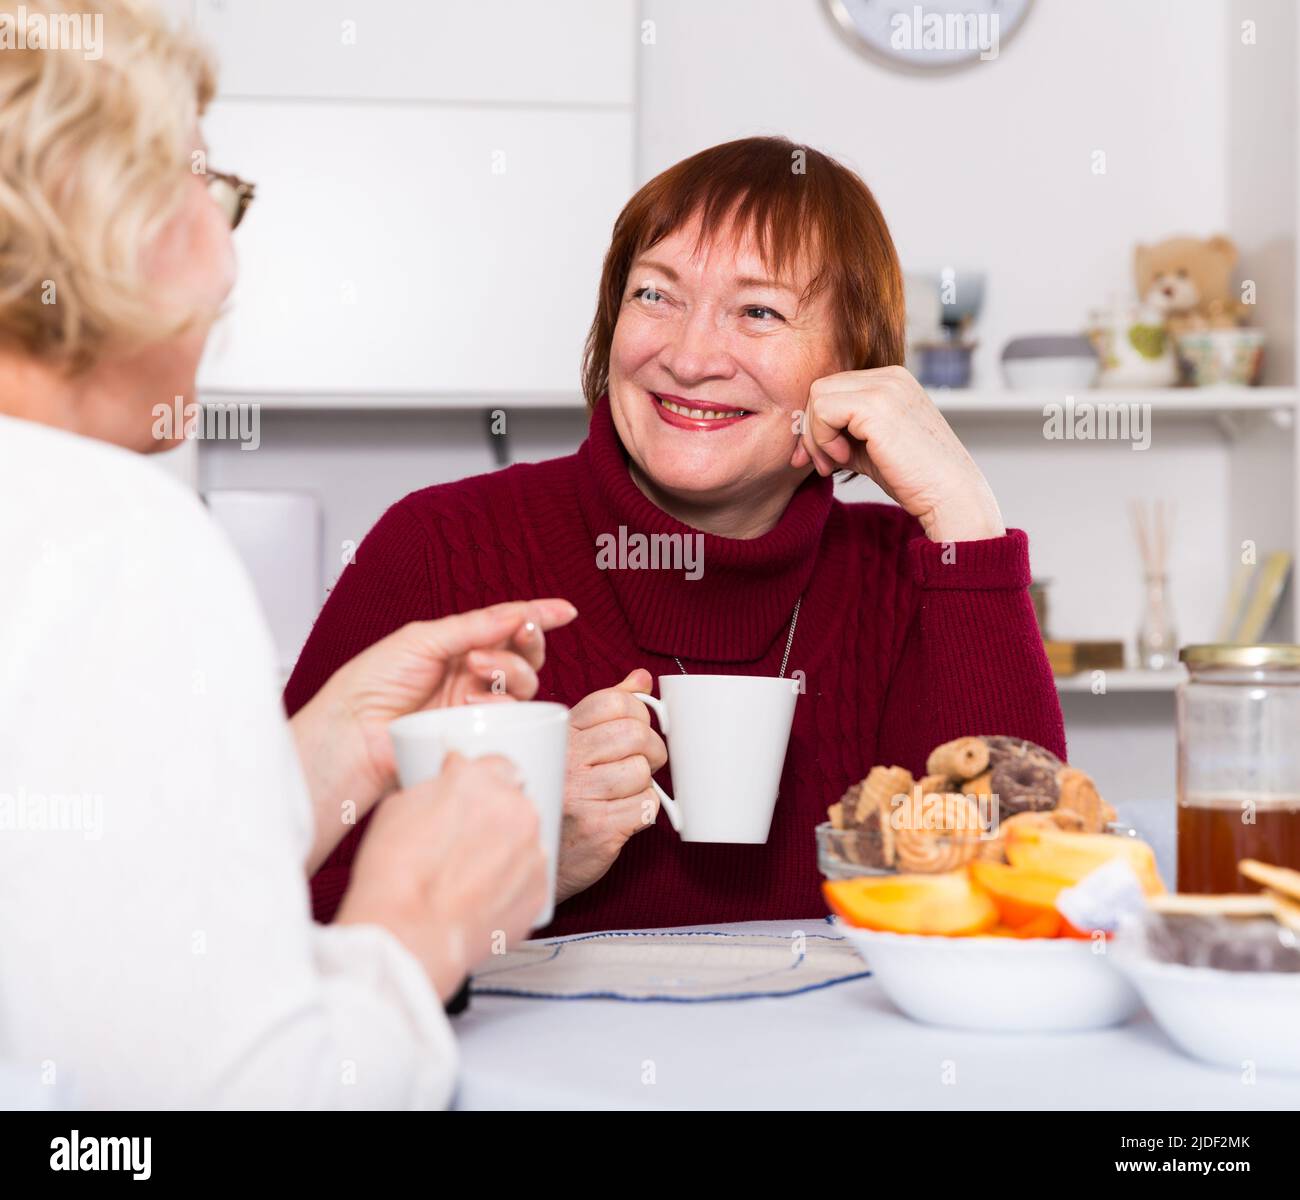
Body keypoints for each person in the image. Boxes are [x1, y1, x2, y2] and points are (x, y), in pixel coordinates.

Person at [0, 0, 573, 1108]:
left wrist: (322, 760)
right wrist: (419, 929)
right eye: (202, 186)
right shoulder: (110, 533)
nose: (227, 261)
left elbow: (75, 925)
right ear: (89, 217)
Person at [287, 136, 1067, 937]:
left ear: (854, 366)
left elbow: (1022, 900)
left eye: (758, 311)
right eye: (655, 296)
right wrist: (530, 863)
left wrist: (965, 517)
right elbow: (269, 906)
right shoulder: (437, 547)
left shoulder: (903, 575)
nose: (690, 358)